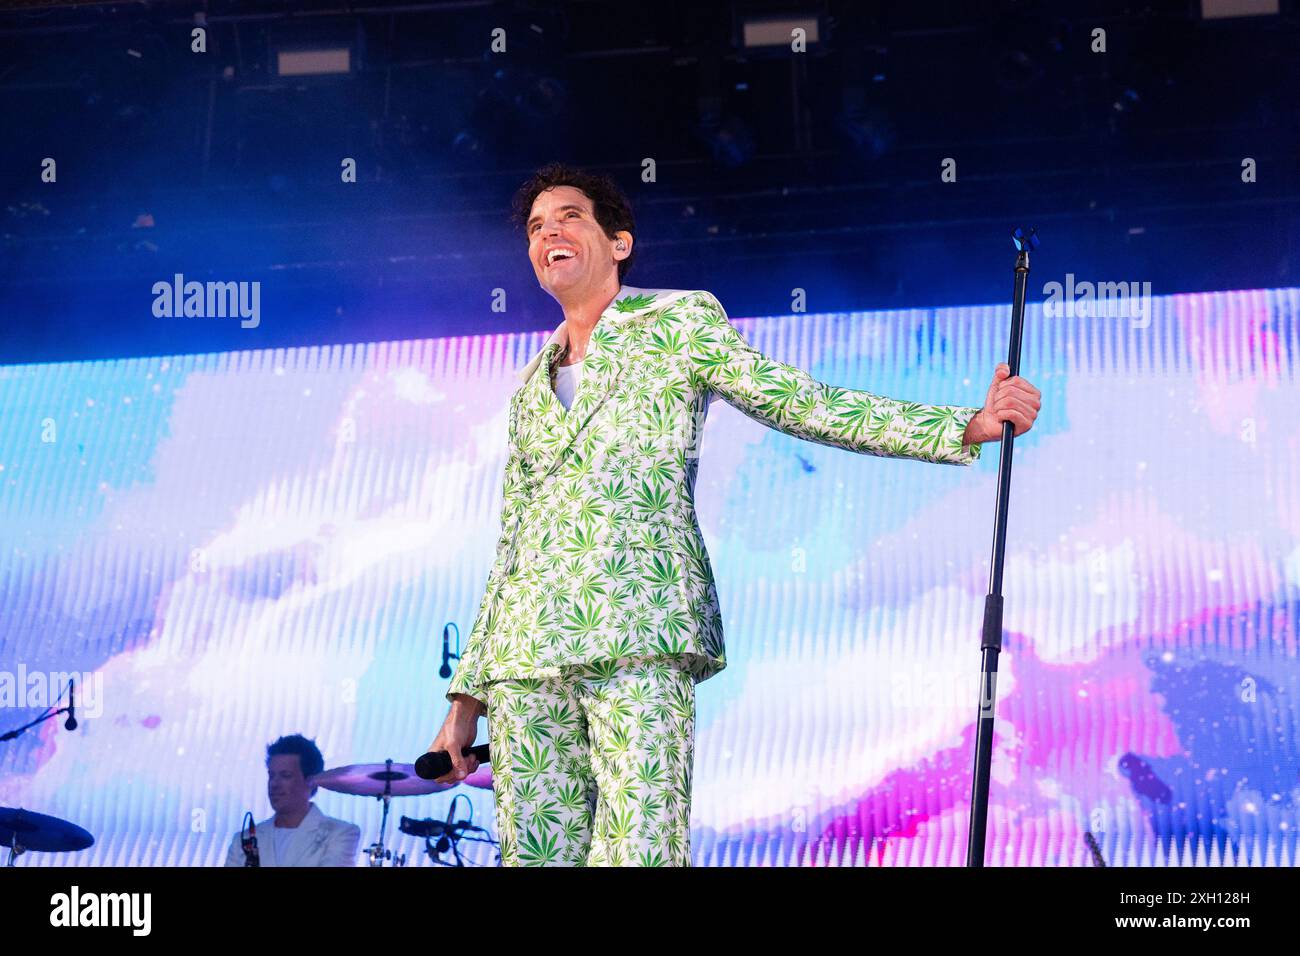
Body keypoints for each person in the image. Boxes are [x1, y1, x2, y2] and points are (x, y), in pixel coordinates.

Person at [426, 162, 1041, 866]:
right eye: (536, 227)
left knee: (641, 855)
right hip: (526, 661)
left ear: (618, 242)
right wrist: (465, 702)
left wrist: (963, 425)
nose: (549, 233)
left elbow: (796, 401)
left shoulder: (677, 322)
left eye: (568, 216)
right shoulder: (531, 383)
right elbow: (511, 548)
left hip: (638, 633)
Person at [224, 734, 360, 867]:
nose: (274, 784)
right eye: (271, 775)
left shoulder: (339, 834)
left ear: (311, 781)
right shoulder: (244, 839)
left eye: (285, 776)